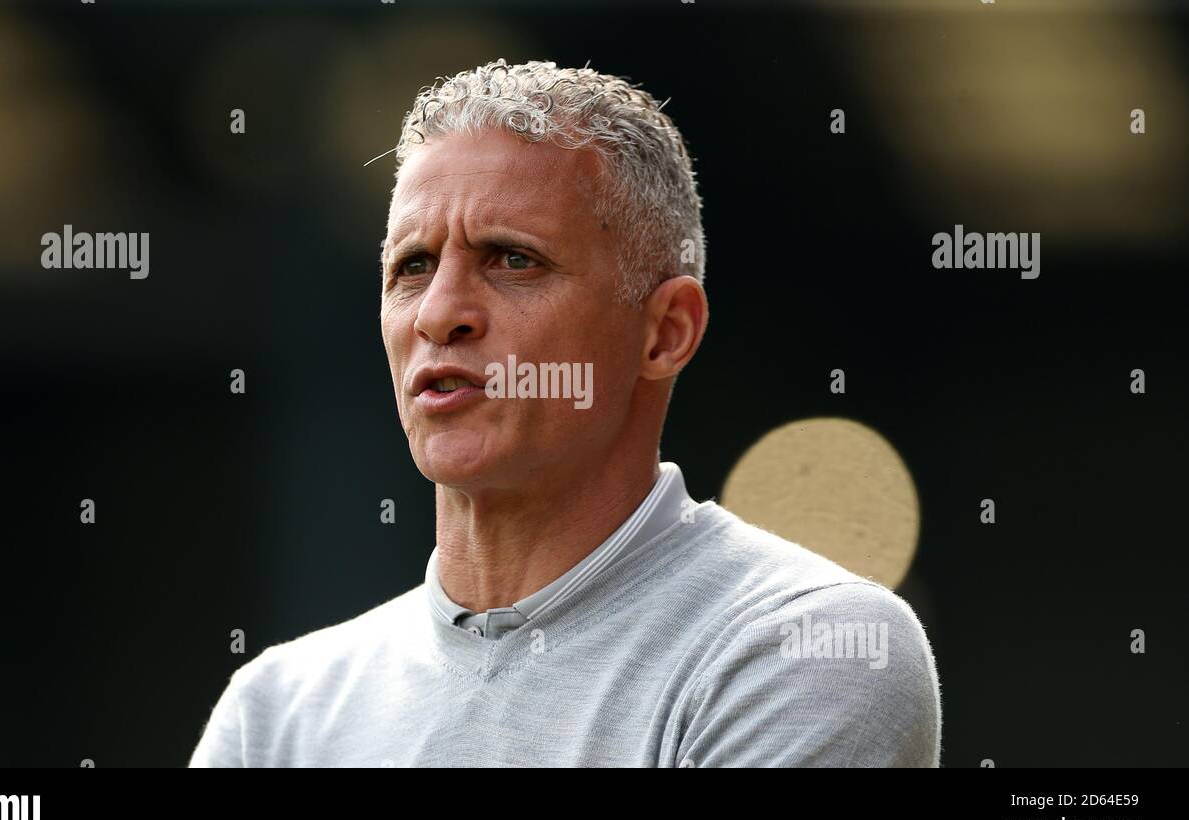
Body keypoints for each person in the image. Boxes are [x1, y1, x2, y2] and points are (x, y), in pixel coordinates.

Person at [190, 58, 941, 767]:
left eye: (513, 259)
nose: (440, 312)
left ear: (666, 331)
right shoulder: (277, 714)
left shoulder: (804, 646)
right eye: (412, 266)